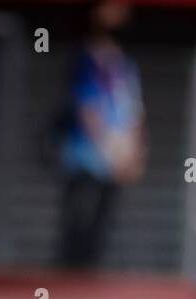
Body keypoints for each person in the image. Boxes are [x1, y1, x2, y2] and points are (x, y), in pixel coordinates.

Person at [57, 0, 145, 270]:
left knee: (102, 223)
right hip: (86, 155)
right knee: (78, 221)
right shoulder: (85, 57)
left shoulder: (124, 61)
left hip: (117, 154)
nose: (120, 14)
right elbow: (87, 107)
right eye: (112, 8)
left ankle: (88, 280)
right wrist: (109, 150)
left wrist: (135, 151)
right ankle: (68, 277)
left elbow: (133, 108)